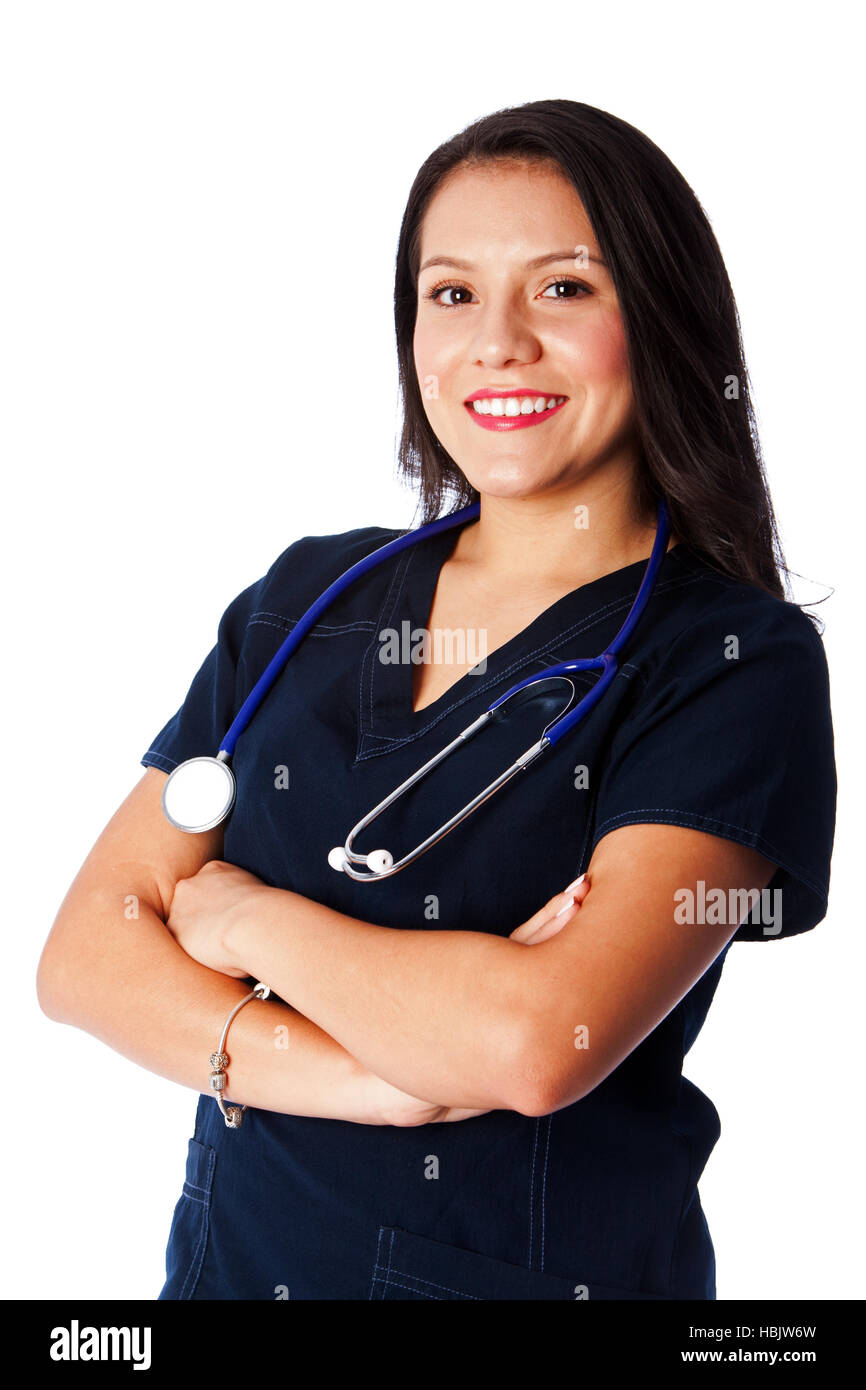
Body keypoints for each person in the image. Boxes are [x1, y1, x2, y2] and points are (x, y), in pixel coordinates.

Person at [37, 98, 836, 1301]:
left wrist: (241, 921)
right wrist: (383, 1077)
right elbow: (82, 958)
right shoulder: (309, 598)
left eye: (563, 288)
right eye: (450, 292)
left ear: (660, 319)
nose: (496, 342)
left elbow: (534, 1042)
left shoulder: (727, 658)